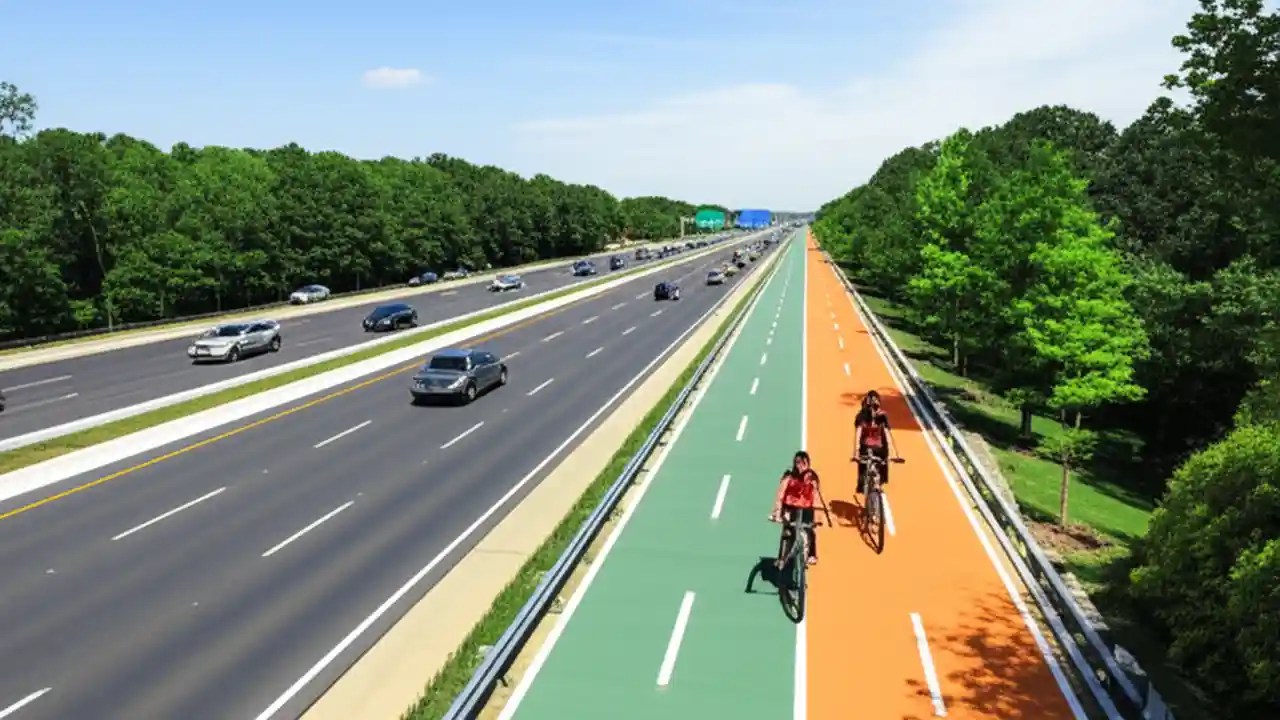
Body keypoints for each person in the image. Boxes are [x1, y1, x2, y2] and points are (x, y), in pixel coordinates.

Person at [769, 451, 820, 566]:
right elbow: (780, 495)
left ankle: (812, 554)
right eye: (798, 463)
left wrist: (819, 517)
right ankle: (781, 558)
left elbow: (816, 496)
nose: (800, 466)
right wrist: (777, 513)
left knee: (809, 530)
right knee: (787, 532)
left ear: (808, 464)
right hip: (790, 508)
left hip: (806, 508)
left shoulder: (812, 477)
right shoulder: (789, 476)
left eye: (803, 463)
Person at [852, 390, 898, 493]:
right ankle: (863, 483)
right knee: (863, 469)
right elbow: (858, 435)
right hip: (865, 448)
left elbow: (887, 435)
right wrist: (856, 452)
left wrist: (894, 453)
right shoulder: (861, 417)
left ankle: (880, 482)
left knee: (882, 464)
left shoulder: (882, 417)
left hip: (879, 448)